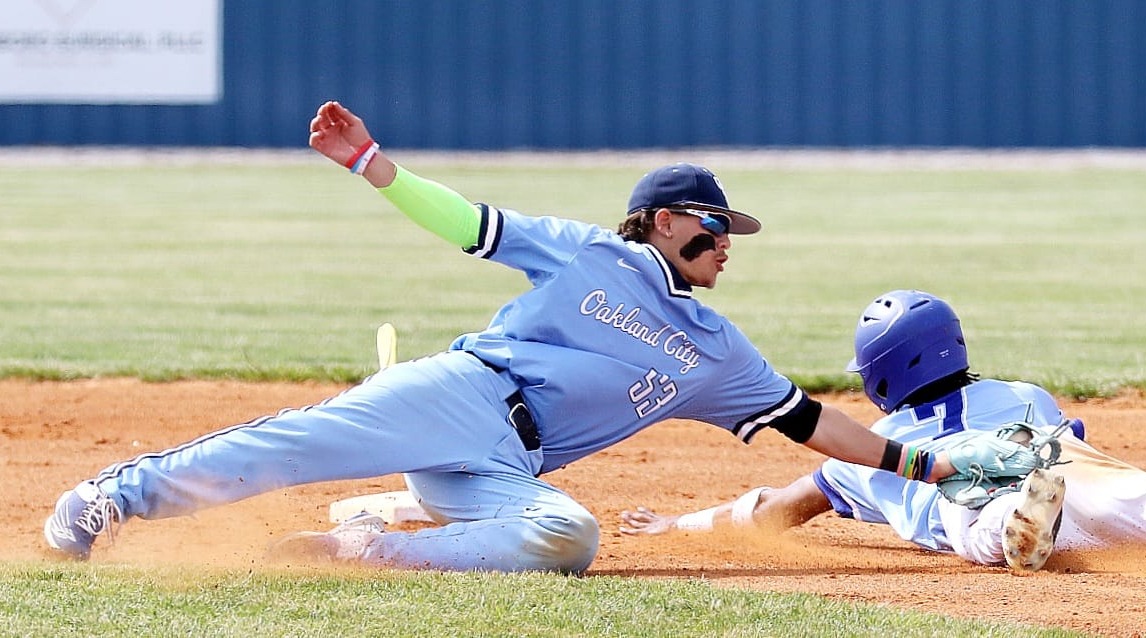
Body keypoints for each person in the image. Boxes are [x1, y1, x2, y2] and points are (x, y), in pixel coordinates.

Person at [44, 102, 1023, 573]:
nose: (729, 248)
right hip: (461, 391)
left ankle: (355, 546)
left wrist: (930, 471)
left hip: (503, 461)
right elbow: (469, 221)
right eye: (718, 230)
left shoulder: (717, 350)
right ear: (668, 220)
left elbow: (816, 426)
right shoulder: (590, 251)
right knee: (298, 440)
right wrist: (376, 166)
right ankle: (105, 497)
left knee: (569, 535)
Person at [620, 289, 1146, 572]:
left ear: (880, 372)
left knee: (974, 518)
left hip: (971, 500)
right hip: (1065, 468)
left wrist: (680, 525)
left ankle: (1016, 518)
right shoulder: (1029, 395)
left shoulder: (868, 448)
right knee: (1119, 493)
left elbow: (773, 512)